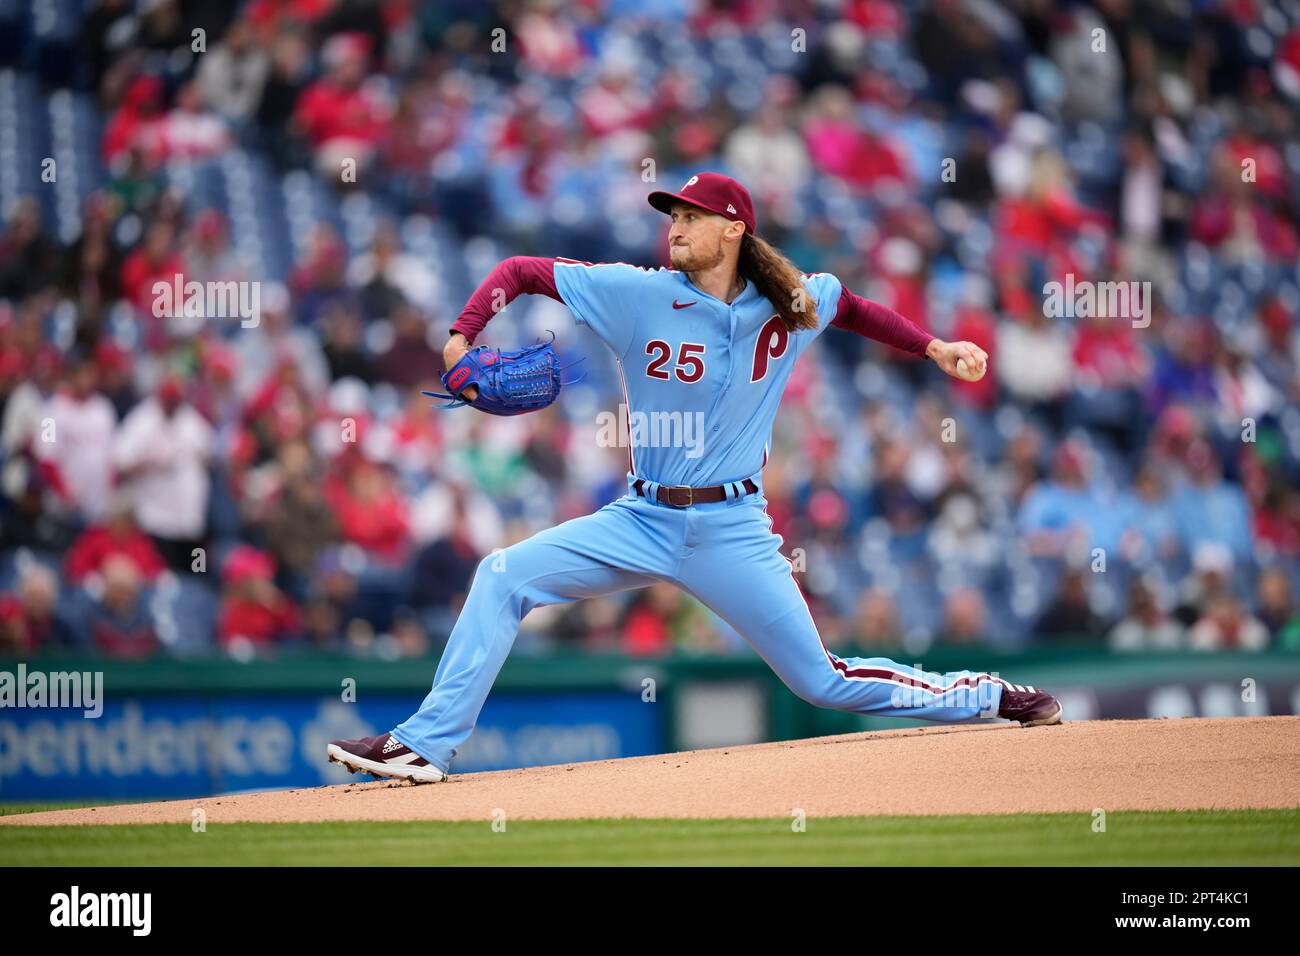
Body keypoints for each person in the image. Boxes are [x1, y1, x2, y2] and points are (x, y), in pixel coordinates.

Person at [329, 173, 1063, 783]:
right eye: (671, 215)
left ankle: (989, 696)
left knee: (821, 681)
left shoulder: (791, 300)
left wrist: (933, 346)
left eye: (690, 216)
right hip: (641, 519)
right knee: (502, 575)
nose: (675, 227)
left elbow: (854, 308)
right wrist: (462, 334)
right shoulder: (635, 292)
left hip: (732, 531)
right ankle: (426, 744)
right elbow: (521, 272)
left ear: (733, 229)